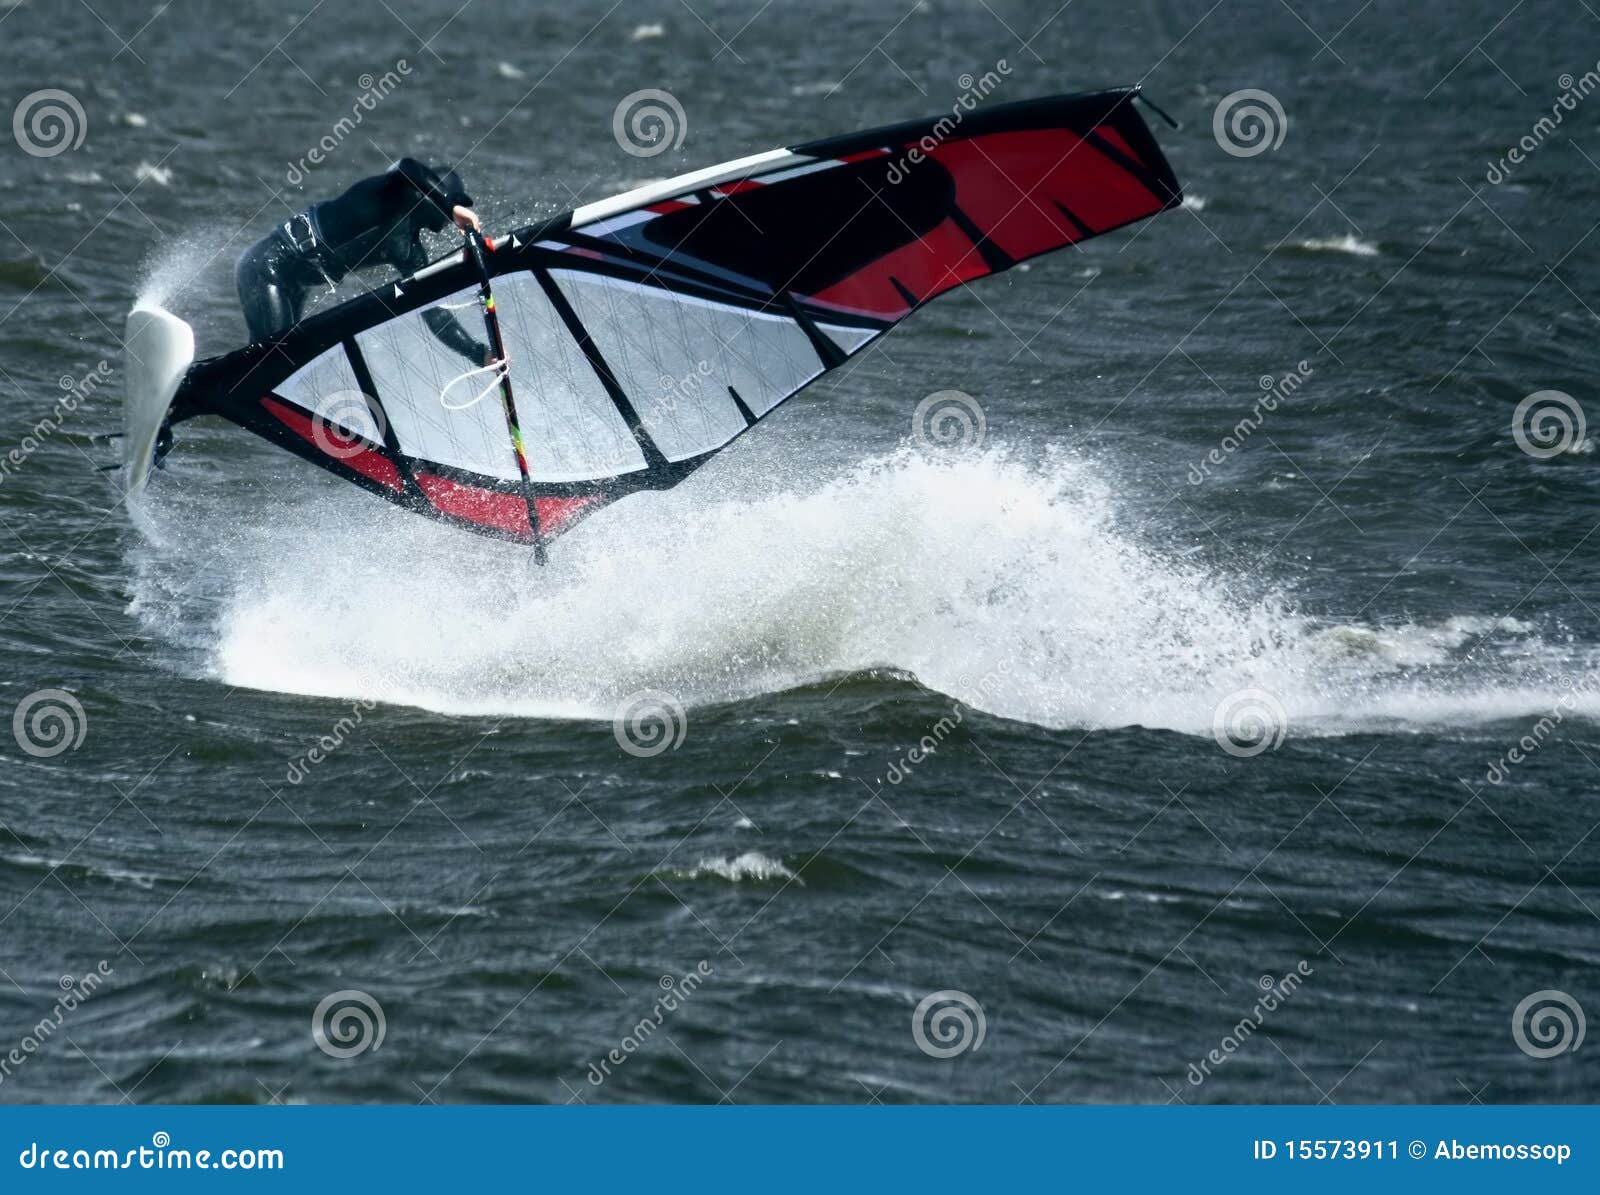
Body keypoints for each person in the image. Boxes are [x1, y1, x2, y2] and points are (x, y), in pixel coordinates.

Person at [234, 157, 492, 365]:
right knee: (272, 363)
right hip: (267, 266)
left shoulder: (407, 250)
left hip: (293, 286)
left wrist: (478, 354)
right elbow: (408, 166)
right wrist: (450, 206)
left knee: (276, 365)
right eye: (453, 207)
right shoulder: (389, 194)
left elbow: (434, 315)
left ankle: (208, 390)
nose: (451, 220)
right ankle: (199, 389)